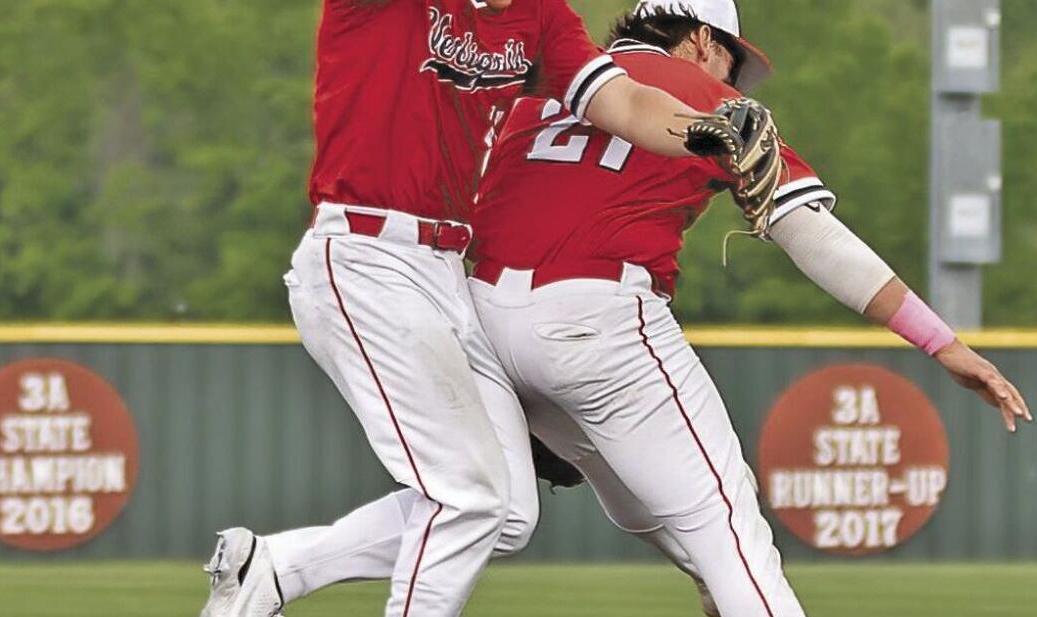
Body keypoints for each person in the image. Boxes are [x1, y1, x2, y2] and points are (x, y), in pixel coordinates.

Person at [468, 1, 1033, 615]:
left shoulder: (539, 91)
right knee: (729, 529)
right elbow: (812, 235)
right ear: (703, 39)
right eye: (731, 64)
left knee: (652, 524)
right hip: (597, 321)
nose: (730, 83)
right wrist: (941, 342)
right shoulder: (702, 94)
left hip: (481, 317)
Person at [198, 1, 758, 616]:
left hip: (446, 272)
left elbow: (623, 103)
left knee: (506, 515)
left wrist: (695, 128)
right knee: (466, 500)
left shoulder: (538, 15)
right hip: (364, 253)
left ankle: (272, 571)